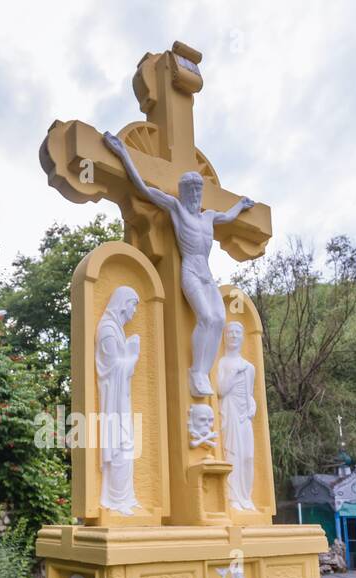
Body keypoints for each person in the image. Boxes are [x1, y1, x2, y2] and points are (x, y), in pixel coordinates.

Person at [103, 131, 254, 398]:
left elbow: (229, 217)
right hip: (190, 270)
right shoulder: (175, 208)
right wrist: (123, 153)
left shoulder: (209, 217)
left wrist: (241, 205)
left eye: (197, 191)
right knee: (206, 317)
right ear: (183, 192)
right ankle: (197, 371)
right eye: (190, 191)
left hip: (207, 274)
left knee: (219, 319)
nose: (194, 195)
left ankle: (204, 371)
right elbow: (143, 188)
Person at [95, 286, 141, 514]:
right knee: (120, 445)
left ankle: (125, 497)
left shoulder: (116, 329)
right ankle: (115, 499)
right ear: (124, 303)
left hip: (121, 397)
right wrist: (133, 354)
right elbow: (112, 368)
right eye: (134, 305)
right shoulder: (108, 330)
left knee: (127, 445)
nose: (135, 311)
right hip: (113, 401)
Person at [218, 321, 257, 510]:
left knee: (248, 456)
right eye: (230, 332)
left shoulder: (250, 367)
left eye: (237, 332)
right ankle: (233, 497)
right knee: (232, 454)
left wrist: (253, 406)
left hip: (244, 416)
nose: (233, 335)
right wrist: (233, 373)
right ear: (224, 337)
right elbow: (221, 390)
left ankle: (246, 496)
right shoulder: (222, 363)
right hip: (230, 412)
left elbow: (250, 394)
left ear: (242, 337)